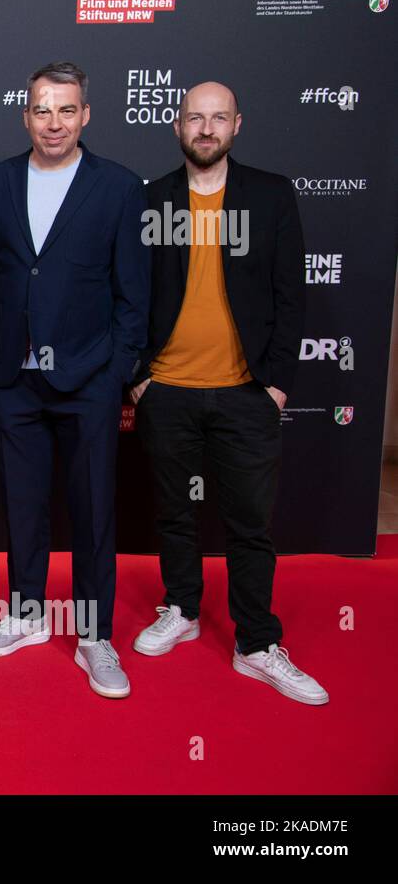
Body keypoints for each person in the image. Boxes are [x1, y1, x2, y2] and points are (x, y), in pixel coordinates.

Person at [130, 81, 326, 705]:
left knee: (249, 523)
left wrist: (275, 386)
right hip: (169, 392)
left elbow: (291, 297)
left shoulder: (270, 196)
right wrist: (141, 380)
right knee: (174, 514)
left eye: (218, 118)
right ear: (177, 125)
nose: (206, 129)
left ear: (237, 125)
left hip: (246, 394)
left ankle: (256, 644)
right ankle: (182, 608)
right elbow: (129, 296)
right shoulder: (154, 199)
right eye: (195, 118)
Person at [0, 61, 149, 699]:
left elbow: (134, 293)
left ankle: (95, 636)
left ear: (86, 115)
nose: (54, 122)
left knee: (94, 508)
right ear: (26, 115)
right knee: (22, 504)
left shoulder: (121, 188)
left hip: (89, 379)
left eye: (66, 110)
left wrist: (118, 370)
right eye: (42, 110)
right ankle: (25, 615)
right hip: (12, 380)